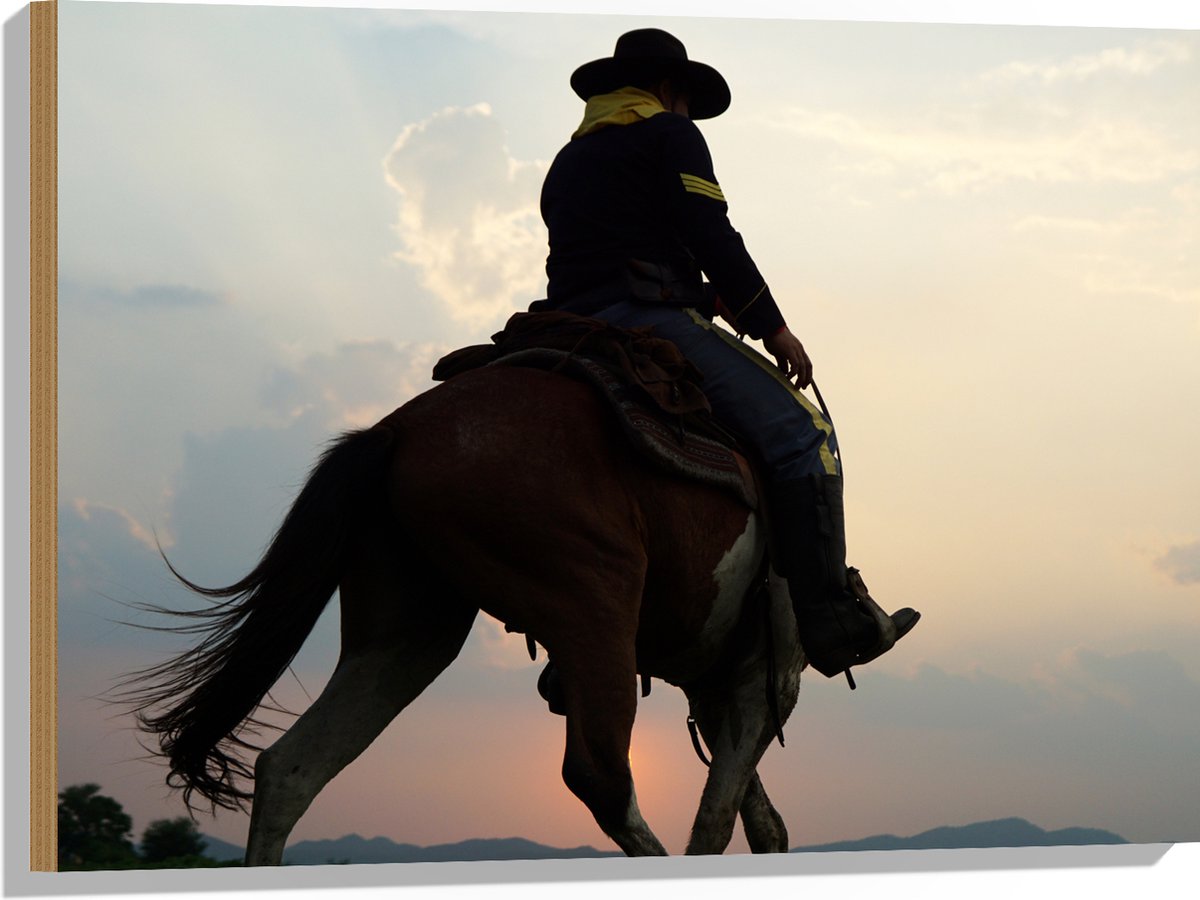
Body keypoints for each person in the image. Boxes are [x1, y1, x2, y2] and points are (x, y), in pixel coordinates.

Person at [536, 28, 919, 686]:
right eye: (684, 100)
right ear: (668, 90)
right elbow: (710, 232)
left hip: (564, 324)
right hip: (643, 318)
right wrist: (772, 327)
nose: (686, 112)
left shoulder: (569, 158)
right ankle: (830, 618)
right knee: (803, 435)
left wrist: (698, 290)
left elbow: (616, 248)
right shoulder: (669, 133)